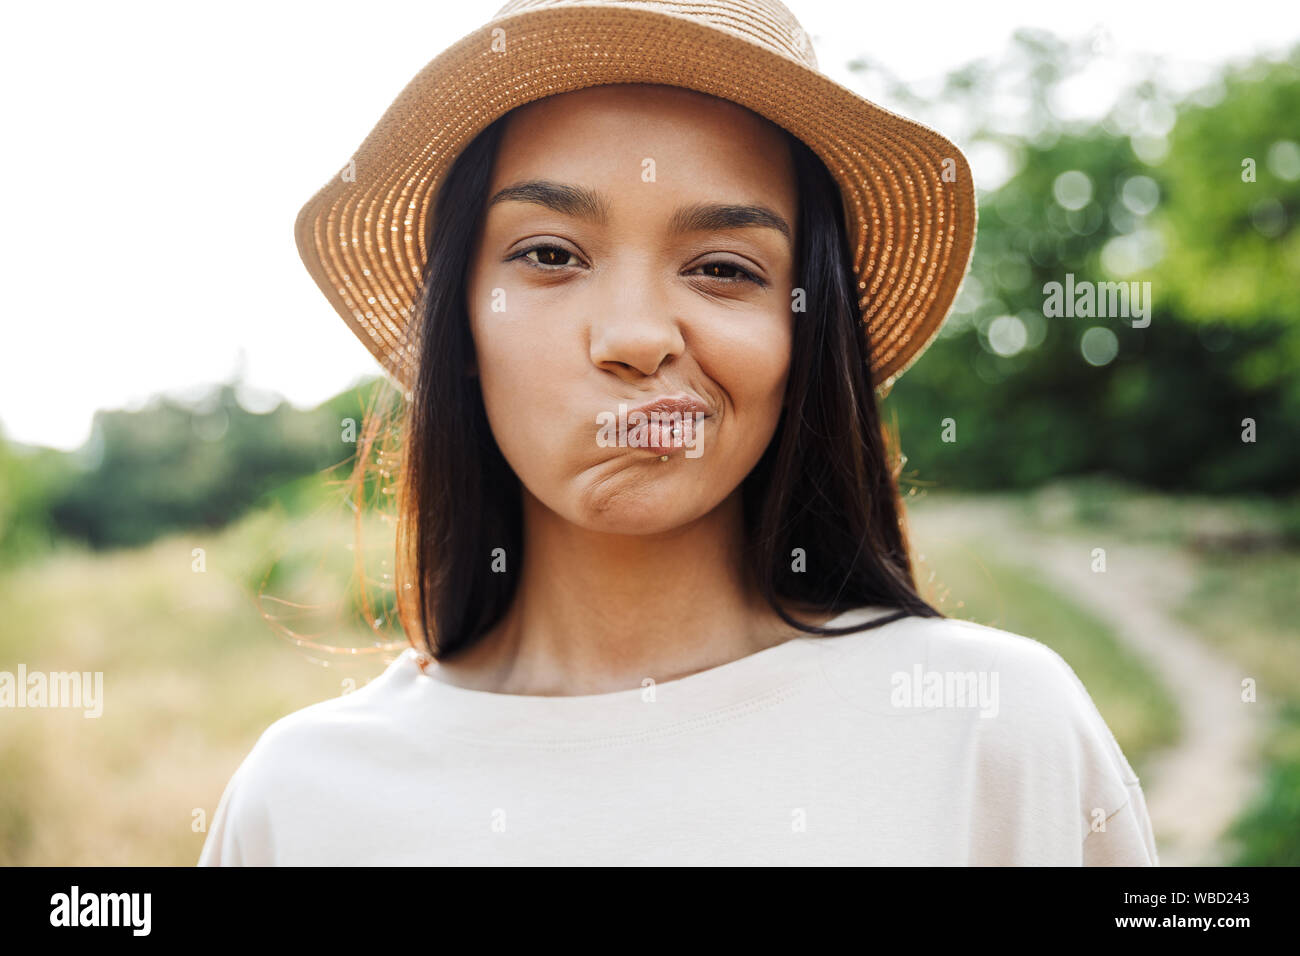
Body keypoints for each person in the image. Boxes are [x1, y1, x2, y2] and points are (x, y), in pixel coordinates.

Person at [199, 0, 1158, 866]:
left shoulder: (992, 732)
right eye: (547, 254)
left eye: (725, 268)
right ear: (460, 324)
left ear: (803, 332)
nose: (635, 337)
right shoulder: (300, 804)